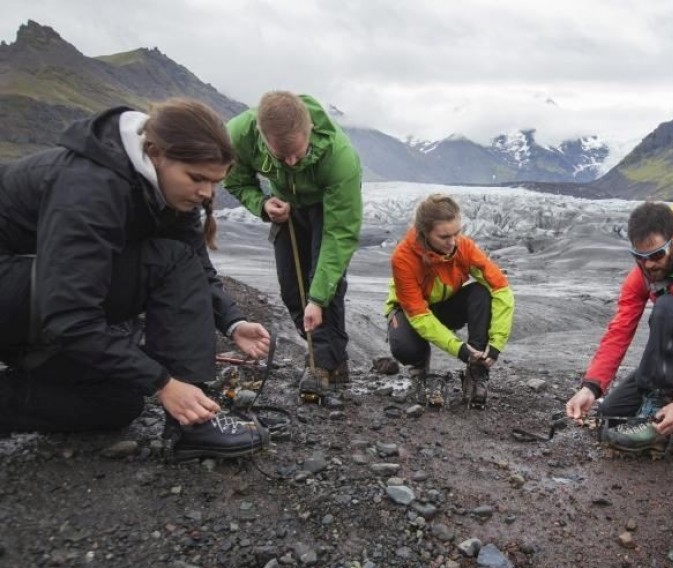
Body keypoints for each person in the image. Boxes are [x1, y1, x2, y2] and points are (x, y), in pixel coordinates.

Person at [0, 99, 272, 459]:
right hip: (17, 293)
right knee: (167, 264)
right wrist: (164, 382)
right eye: (197, 178)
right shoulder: (90, 186)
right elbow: (70, 314)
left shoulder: (170, 194)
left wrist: (233, 321)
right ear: (155, 153)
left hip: (32, 300)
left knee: (118, 400)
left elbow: (195, 265)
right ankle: (193, 428)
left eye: (215, 182)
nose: (207, 193)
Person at [565, 201, 673, 453]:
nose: (649, 265)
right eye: (640, 257)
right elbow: (619, 330)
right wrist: (591, 386)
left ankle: (661, 420)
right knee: (610, 414)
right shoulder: (642, 275)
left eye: (656, 255)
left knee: (669, 308)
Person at [224, 91, 363, 397]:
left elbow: (340, 235)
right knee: (291, 290)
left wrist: (317, 297)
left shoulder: (341, 158)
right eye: (280, 156)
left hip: (327, 209)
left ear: (309, 129)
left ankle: (321, 362)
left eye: (297, 154)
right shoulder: (238, 135)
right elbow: (234, 179)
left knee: (324, 285)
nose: (290, 162)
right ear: (262, 137)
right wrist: (261, 204)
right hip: (285, 207)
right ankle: (335, 361)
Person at [384, 194, 514, 406]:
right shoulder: (403, 258)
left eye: (457, 233)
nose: (453, 242)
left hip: (443, 308)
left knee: (481, 293)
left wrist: (497, 343)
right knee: (405, 347)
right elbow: (419, 315)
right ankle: (419, 368)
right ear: (424, 233)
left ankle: (477, 370)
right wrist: (459, 350)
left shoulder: (464, 247)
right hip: (410, 312)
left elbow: (500, 288)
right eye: (444, 237)